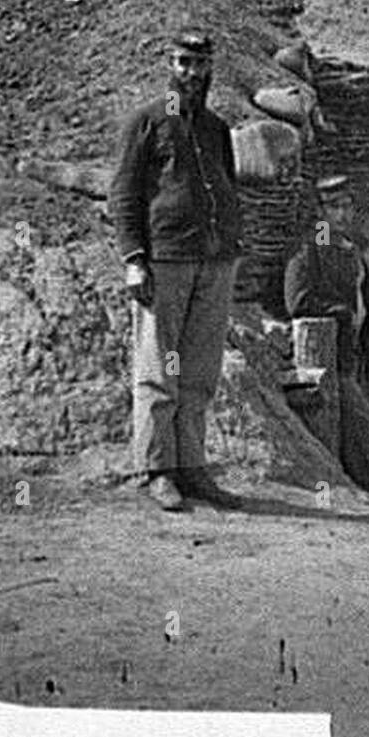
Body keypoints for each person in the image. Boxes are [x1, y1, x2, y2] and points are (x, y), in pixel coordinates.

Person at [108, 30, 242, 511]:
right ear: (170, 64)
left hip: (214, 261)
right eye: (184, 63)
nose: (193, 73)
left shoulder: (215, 129)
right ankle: (157, 468)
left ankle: (191, 467)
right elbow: (122, 195)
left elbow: (227, 183)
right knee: (159, 368)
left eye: (201, 64)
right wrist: (133, 260)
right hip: (165, 262)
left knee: (200, 372)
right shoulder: (145, 122)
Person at [284, 176, 369, 498]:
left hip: (351, 355)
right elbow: (298, 301)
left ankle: (368, 497)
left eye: (347, 206)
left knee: (360, 436)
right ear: (320, 210)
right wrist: (341, 312)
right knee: (368, 432)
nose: (342, 214)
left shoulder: (348, 247)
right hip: (327, 362)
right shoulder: (309, 248)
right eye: (334, 207)